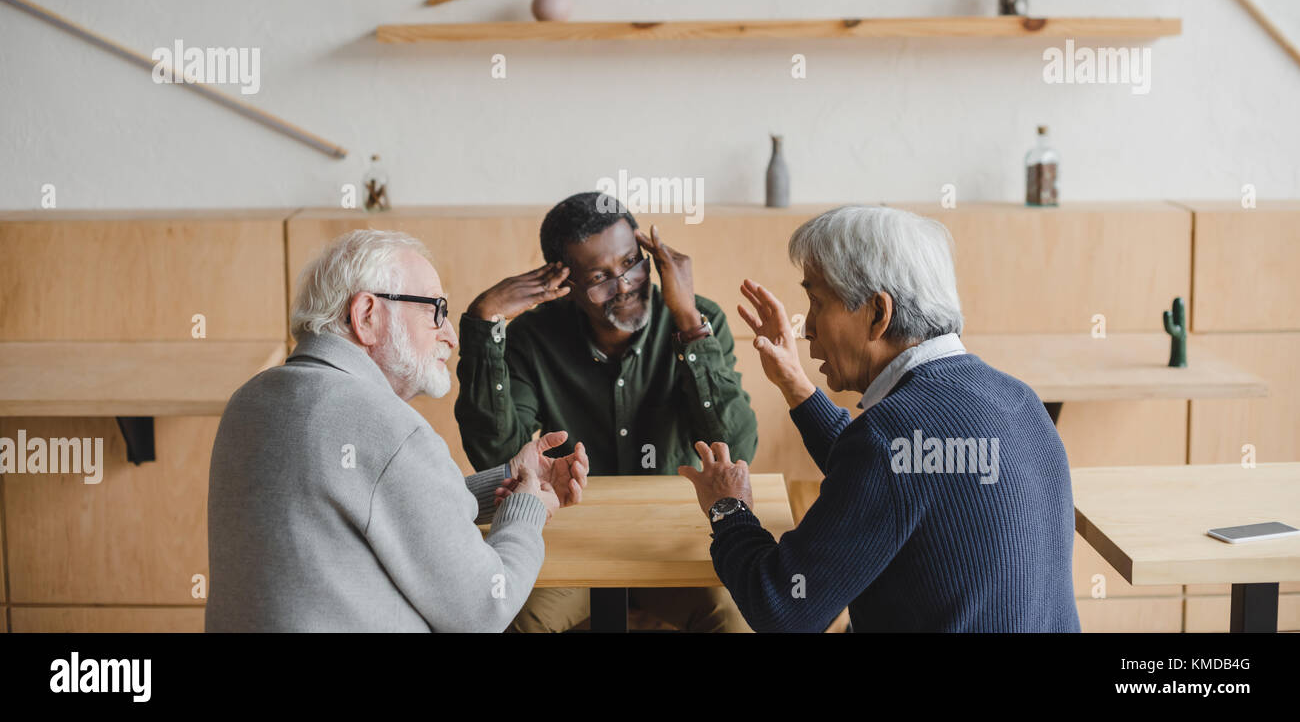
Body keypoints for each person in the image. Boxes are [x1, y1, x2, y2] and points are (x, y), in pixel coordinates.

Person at [678, 205, 1081, 632]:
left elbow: (781, 607)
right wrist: (797, 385)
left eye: (817, 302)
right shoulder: (1019, 398)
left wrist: (728, 508)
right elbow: (902, 474)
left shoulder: (887, 440)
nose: (807, 328)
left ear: (877, 314)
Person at [206, 229, 588, 632]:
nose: (451, 337)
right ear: (367, 315)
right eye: (435, 310)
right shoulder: (385, 426)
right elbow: (487, 607)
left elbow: (378, 502)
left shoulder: (251, 399)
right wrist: (526, 509)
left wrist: (510, 479)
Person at [455, 191, 758, 632]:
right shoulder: (533, 337)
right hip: (571, 537)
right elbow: (497, 458)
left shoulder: (697, 319)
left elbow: (738, 447)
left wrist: (689, 324)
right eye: (600, 276)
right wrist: (485, 325)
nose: (625, 285)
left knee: (738, 616)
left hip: (673, 535)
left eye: (633, 263)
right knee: (512, 621)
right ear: (565, 282)